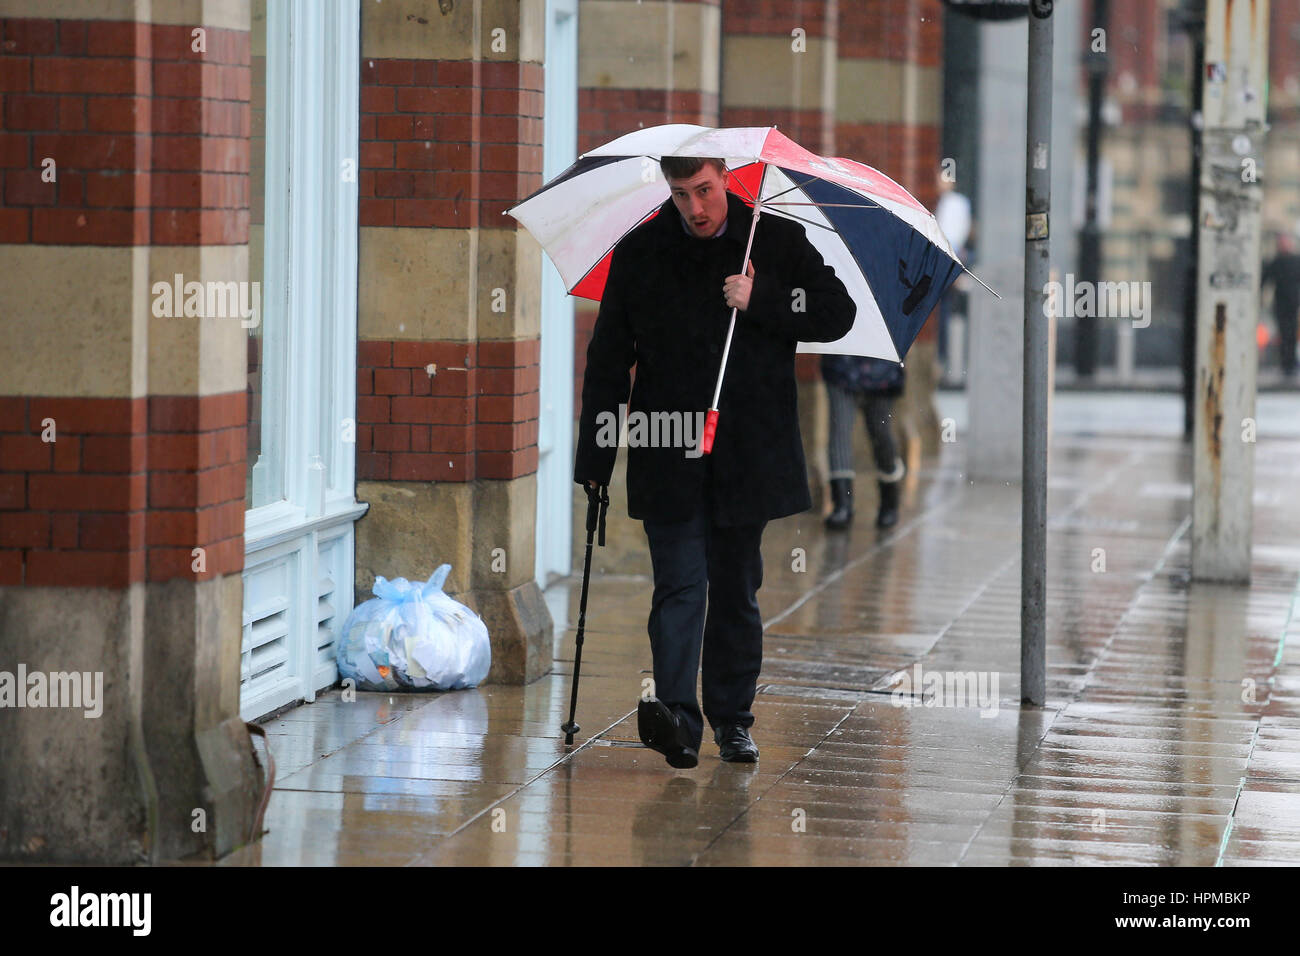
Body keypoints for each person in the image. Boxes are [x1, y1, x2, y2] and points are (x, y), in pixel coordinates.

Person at [573, 156, 855, 768]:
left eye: (704, 190)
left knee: (734, 589)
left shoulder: (774, 240)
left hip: (746, 451)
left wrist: (764, 298)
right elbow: (607, 359)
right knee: (678, 585)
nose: (695, 208)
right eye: (680, 195)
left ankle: (732, 720)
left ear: (725, 177)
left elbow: (837, 313)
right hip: (665, 444)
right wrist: (595, 456)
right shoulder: (643, 250)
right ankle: (677, 717)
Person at [821, 354, 905, 530]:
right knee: (839, 432)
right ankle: (842, 504)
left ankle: (889, 498)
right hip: (841, 369)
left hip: (882, 374)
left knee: (881, 434)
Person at [1261, 231, 1300, 379]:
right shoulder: (1277, 262)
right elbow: (1265, 280)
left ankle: (1290, 362)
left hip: (1292, 303)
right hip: (1281, 303)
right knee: (1285, 333)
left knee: (1291, 333)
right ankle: (1287, 364)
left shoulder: (1294, 260)